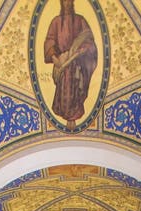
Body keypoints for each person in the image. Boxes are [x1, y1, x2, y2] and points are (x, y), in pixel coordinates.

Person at [44, 0, 97, 129]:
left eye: (69, 1)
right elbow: (49, 41)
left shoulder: (80, 20)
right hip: (63, 63)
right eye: (64, 1)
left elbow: (88, 39)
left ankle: (73, 117)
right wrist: (54, 57)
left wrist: (82, 50)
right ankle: (66, 115)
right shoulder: (56, 22)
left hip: (77, 63)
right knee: (64, 92)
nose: (67, 4)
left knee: (76, 90)